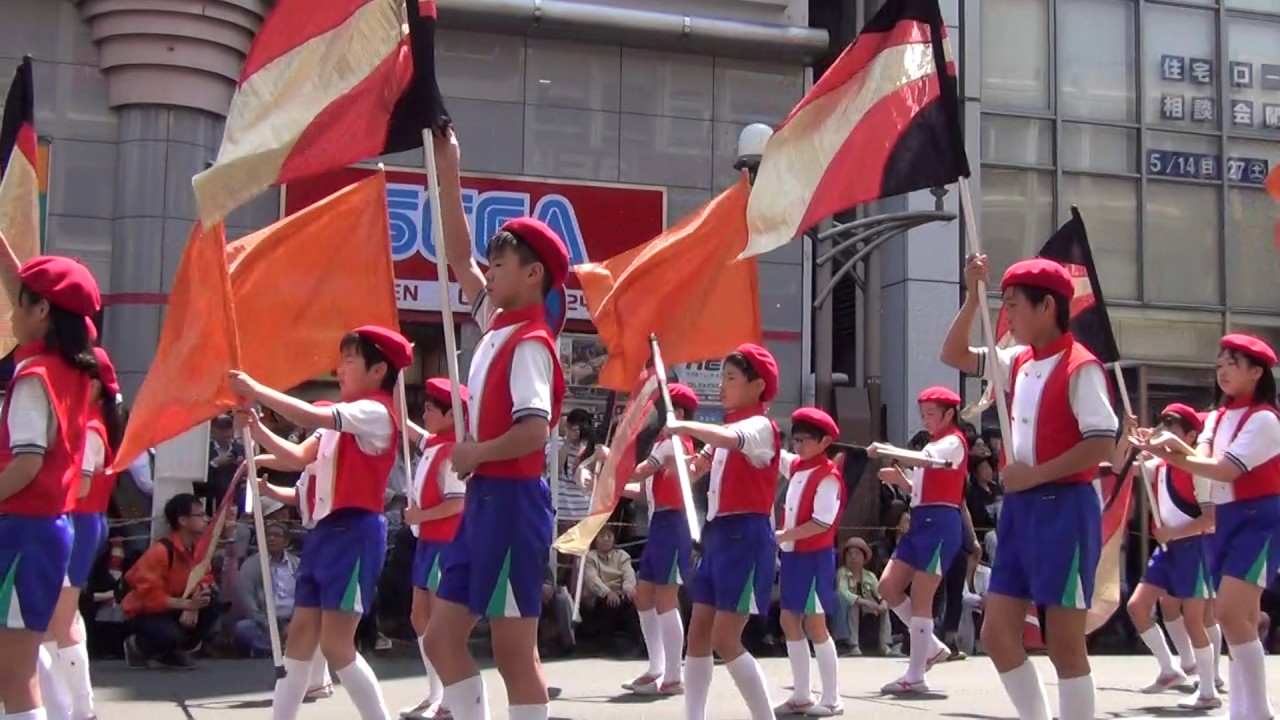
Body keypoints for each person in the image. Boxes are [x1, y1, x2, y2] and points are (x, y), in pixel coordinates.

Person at [424, 129, 568, 720]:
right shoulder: (497, 322)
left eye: (501, 262)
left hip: (511, 502)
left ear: (532, 275)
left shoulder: (533, 341)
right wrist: (449, 166)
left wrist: (474, 453)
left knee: (513, 652)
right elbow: (457, 256)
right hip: (485, 501)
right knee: (439, 638)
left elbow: (534, 432)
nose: (488, 269)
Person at [939, 255, 1118, 720]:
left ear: (1048, 307)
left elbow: (1101, 443)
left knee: (1063, 642)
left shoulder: (1083, 367)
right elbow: (954, 355)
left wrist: (1034, 475)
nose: (1009, 315)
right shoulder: (1016, 360)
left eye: (1015, 305)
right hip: (1020, 511)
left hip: (1066, 510)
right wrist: (970, 297)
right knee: (998, 634)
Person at [229, 325, 413, 720]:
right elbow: (297, 457)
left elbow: (313, 414)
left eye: (349, 360)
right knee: (299, 638)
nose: (339, 368)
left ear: (378, 370)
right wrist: (257, 428)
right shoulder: (343, 417)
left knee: (337, 646)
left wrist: (258, 389)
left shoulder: (375, 411)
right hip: (324, 532)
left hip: (356, 532)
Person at [1133, 333, 1280, 720]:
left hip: (1259, 520)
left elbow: (1224, 469)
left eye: (1232, 364)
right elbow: (1203, 456)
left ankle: (1257, 710)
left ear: (1257, 371)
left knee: (1231, 613)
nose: (1223, 371)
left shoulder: (1265, 419)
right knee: (1240, 618)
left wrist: (1170, 454)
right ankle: (1248, 709)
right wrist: (1164, 446)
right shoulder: (1215, 416)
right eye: (1219, 364)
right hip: (1227, 521)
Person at [0, 256, 101, 720]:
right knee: (21, 667)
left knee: (16, 675)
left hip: (23, 530)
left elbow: (26, 464)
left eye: (18, 305)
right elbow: (47, 293)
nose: (11, 314)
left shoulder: (34, 377)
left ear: (41, 311)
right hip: (47, 529)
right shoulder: (74, 372)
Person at [665, 343, 781, 720]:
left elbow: (731, 440)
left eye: (730, 378)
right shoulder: (728, 431)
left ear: (757, 386)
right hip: (717, 536)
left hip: (745, 537)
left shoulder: (759, 426)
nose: (721, 386)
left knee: (725, 639)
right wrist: (681, 460)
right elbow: (700, 467)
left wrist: (684, 424)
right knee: (698, 633)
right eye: (721, 378)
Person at [865, 387, 970, 694]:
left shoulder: (952, 442)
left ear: (949, 414)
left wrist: (888, 449)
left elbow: (926, 464)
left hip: (940, 524)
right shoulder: (935, 445)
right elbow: (923, 489)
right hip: (920, 521)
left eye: (931, 414)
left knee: (923, 596)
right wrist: (902, 483)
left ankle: (915, 675)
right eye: (923, 414)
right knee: (887, 586)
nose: (926, 420)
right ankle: (933, 646)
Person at [1114, 404, 1219, 708]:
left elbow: (1209, 520)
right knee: (1137, 606)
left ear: (1189, 435)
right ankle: (1169, 668)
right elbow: (1119, 467)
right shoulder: (1156, 466)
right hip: (1168, 551)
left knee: (1194, 620)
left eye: (1172, 429)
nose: (1164, 433)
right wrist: (1126, 435)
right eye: (1162, 426)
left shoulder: (1200, 469)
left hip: (1193, 551)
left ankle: (1209, 689)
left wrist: (1173, 533)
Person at [44, 346, 122, 720]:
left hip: (78, 521)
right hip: (80, 523)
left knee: (57, 623)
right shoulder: (89, 422)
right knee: (65, 620)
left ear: (92, 386)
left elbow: (83, 486)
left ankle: (74, 710)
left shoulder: (91, 427)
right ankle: (75, 707)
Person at [615, 382, 698, 696]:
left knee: (664, 598)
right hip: (660, 525)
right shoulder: (665, 443)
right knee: (644, 596)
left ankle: (674, 675)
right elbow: (642, 487)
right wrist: (606, 484)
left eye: (660, 409)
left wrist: (612, 460)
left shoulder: (673, 443)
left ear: (676, 413)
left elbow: (637, 473)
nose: (654, 415)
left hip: (673, 524)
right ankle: (656, 668)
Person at [400, 378, 468, 720]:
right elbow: (413, 432)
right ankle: (435, 692)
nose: (423, 414)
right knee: (419, 617)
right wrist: (394, 402)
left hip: (446, 542)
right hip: (426, 541)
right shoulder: (434, 444)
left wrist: (419, 515)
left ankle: (451, 698)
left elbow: (457, 503)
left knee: (442, 625)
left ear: (449, 415)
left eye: (430, 409)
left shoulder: (454, 452)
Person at [773, 407, 845, 716]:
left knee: (816, 624)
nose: (798, 445)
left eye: (805, 440)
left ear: (825, 440)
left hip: (815, 557)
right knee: (788, 619)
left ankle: (832, 698)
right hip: (793, 556)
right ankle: (801, 694)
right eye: (796, 439)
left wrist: (783, 535)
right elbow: (778, 456)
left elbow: (822, 523)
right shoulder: (799, 466)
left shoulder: (828, 475)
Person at [120, 493, 219, 670]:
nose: (205, 519)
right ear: (182, 520)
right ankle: (138, 646)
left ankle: (171, 651)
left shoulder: (199, 550)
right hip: (147, 612)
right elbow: (150, 598)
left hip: (178, 604)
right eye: (200, 515)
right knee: (166, 632)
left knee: (213, 603)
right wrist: (187, 604)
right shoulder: (160, 551)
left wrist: (195, 601)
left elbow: (206, 577)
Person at [836, 536, 892, 656]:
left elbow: (879, 593)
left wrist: (882, 602)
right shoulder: (842, 573)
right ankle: (853, 646)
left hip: (869, 607)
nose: (853, 557)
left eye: (857, 554)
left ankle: (885, 644)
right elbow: (843, 592)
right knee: (855, 606)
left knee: (885, 608)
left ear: (864, 557)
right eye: (850, 554)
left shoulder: (869, 576)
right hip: (849, 608)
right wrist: (862, 601)